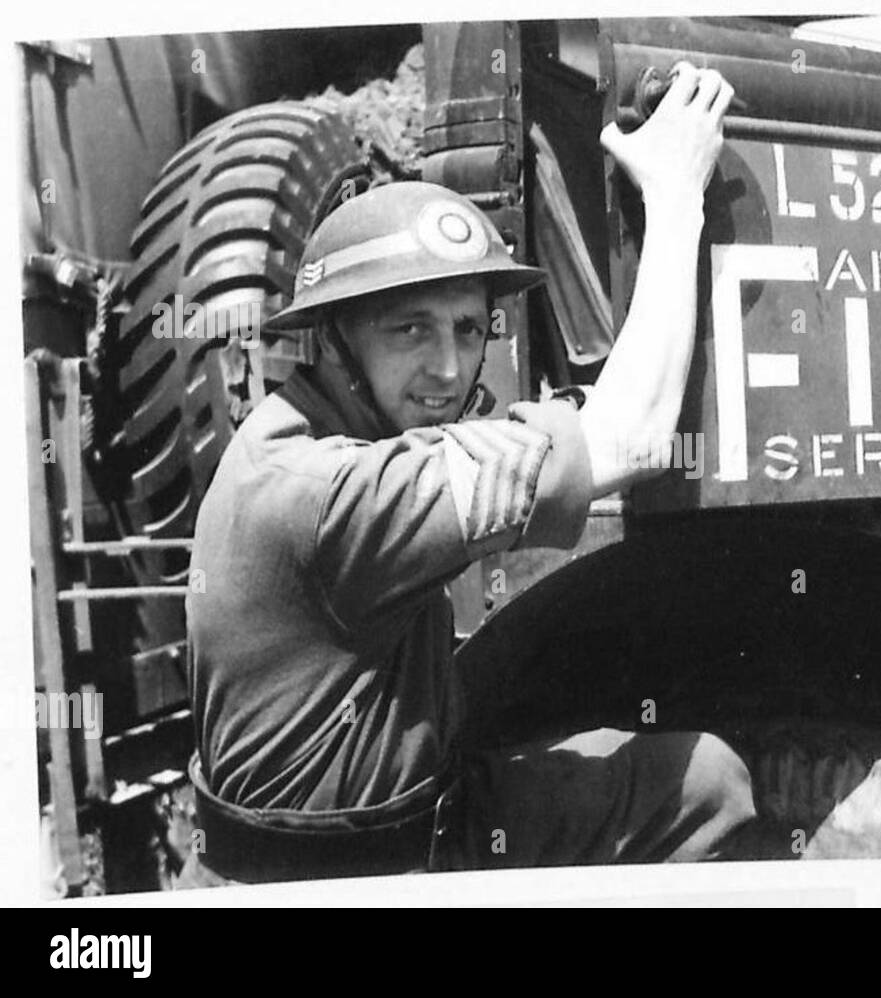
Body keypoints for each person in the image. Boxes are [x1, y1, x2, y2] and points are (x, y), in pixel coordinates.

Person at [177, 62, 755, 886]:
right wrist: (676, 193)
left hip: (371, 827)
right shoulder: (334, 493)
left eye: (466, 326)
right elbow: (634, 437)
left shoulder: (301, 432)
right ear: (332, 340)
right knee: (706, 785)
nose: (447, 368)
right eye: (409, 329)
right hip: (360, 876)